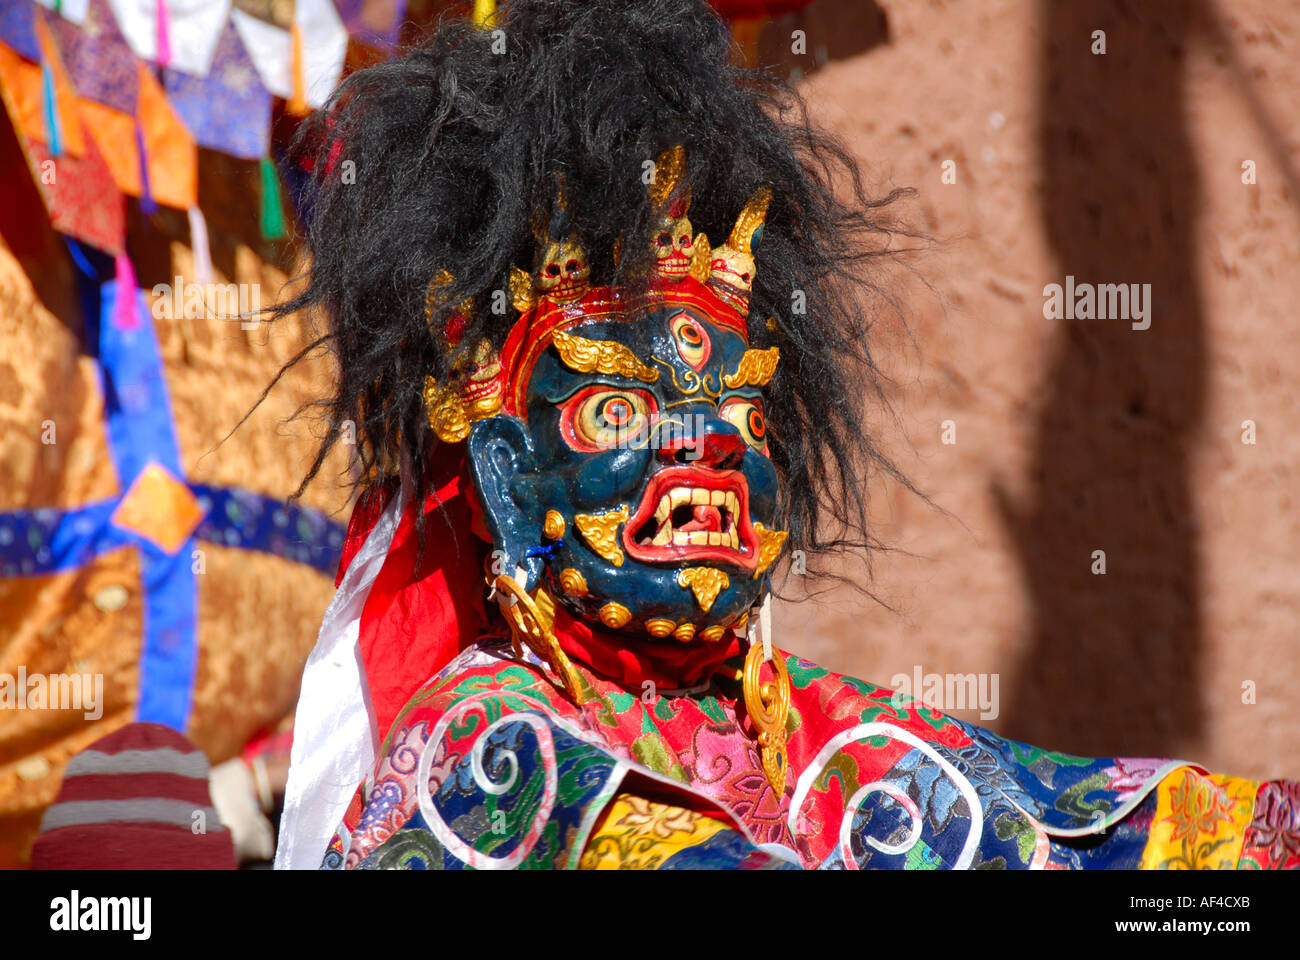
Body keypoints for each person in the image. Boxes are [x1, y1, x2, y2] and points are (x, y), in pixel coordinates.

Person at [271, 0, 1298, 870]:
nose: (707, 447)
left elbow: (1075, 828)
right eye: (620, 409)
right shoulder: (485, 751)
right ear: (505, 472)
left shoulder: (800, 728)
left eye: (741, 412)